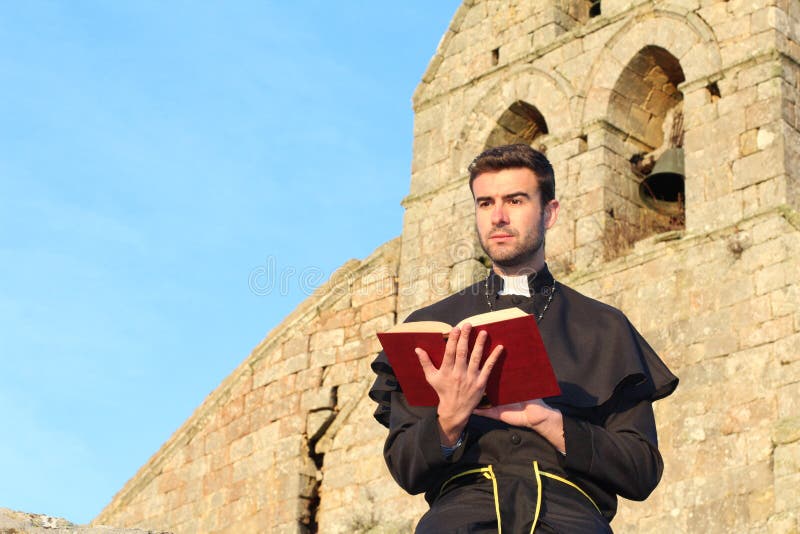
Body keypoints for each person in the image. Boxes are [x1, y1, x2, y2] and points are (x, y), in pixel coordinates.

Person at [369, 144, 678, 533]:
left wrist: (550, 422)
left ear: (549, 213)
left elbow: (641, 471)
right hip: (460, 518)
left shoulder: (604, 327)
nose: (498, 217)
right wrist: (449, 418)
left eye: (515, 200)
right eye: (485, 204)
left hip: (568, 518)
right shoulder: (429, 324)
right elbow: (406, 469)